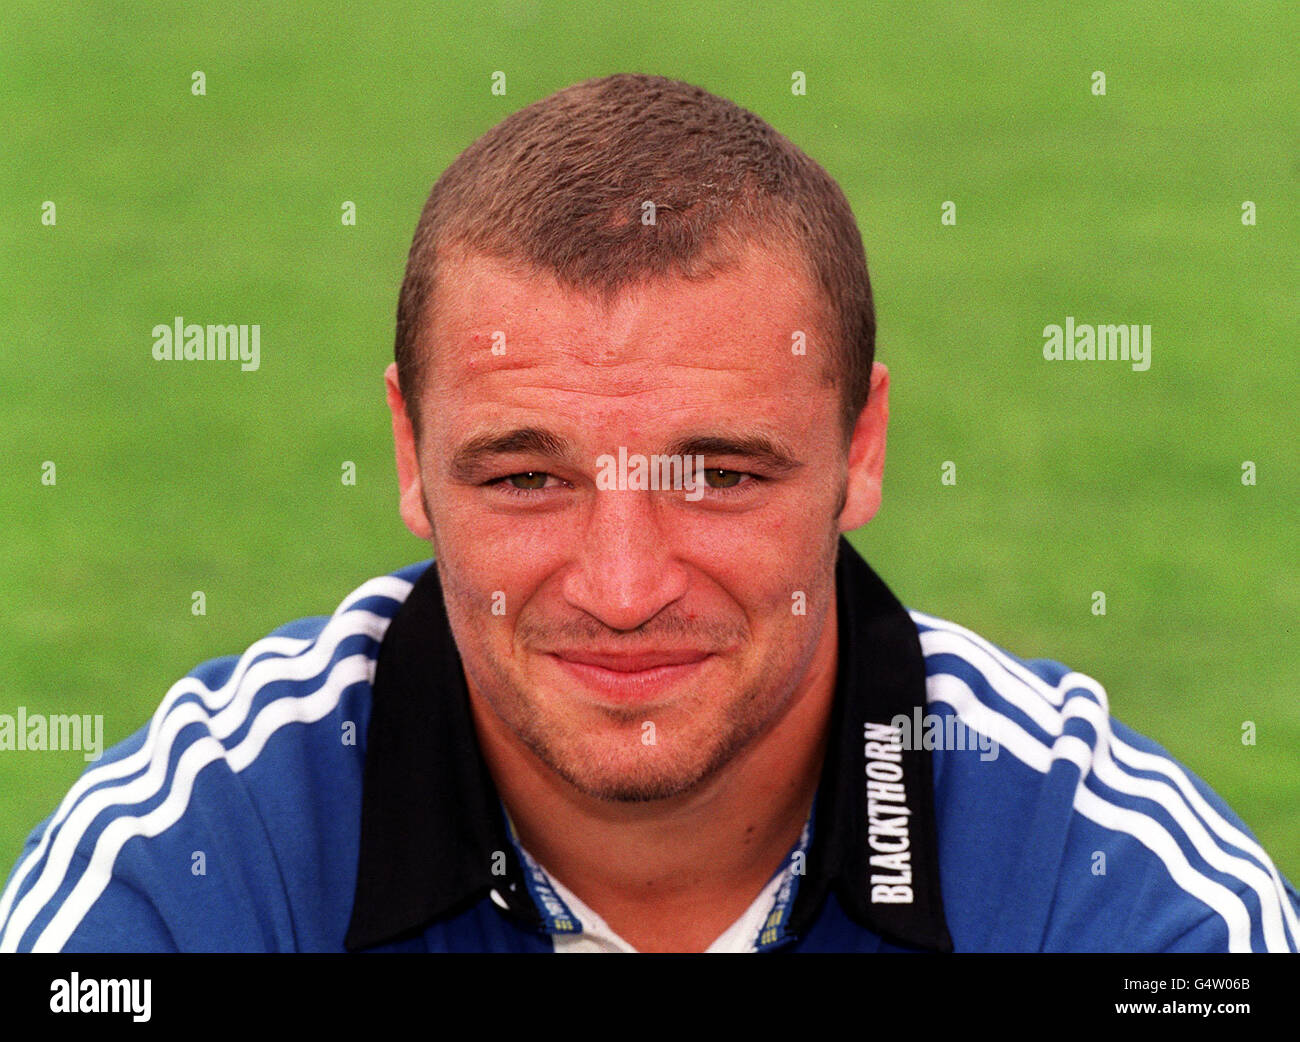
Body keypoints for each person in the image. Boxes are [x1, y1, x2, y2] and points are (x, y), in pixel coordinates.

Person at [2, 73, 1295, 954]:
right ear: (409, 452)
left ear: (861, 447)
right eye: (526, 477)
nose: (623, 587)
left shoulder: (1114, 894)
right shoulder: (191, 870)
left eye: (720, 475)